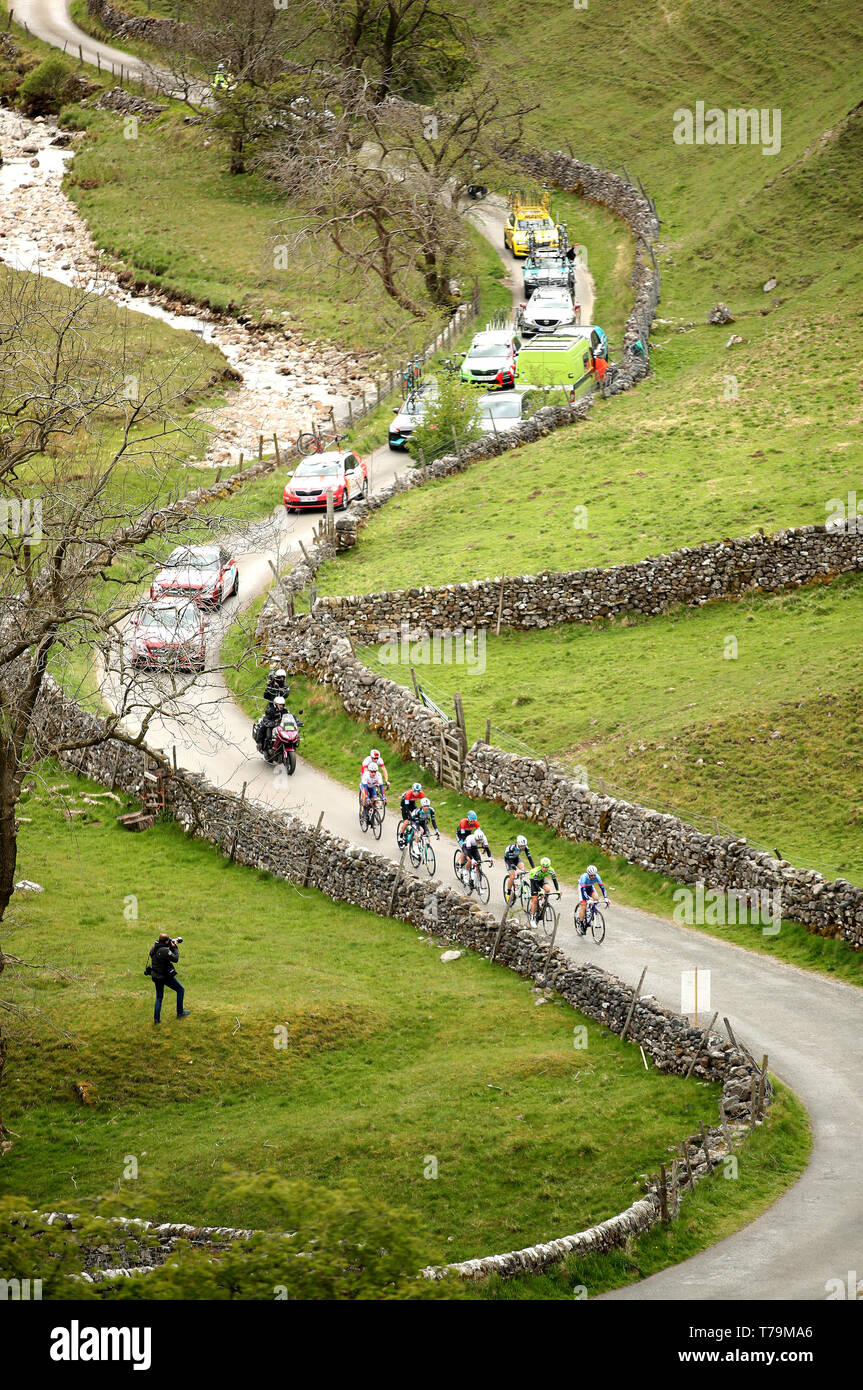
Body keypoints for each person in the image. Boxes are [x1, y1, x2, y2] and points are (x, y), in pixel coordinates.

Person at [149, 933, 189, 1025]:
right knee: (181, 990)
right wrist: (174, 947)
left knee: (159, 997)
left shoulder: (155, 946)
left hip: (155, 975)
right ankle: (180, 1012)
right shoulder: (164, 950)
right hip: (164, 976)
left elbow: (158, 956)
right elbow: (175, 959)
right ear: (166, 941)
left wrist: (168, 947)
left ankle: (156, 1019)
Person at [575, 864, 610, 932]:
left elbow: (602, 887)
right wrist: (588, 899)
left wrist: (606, 897)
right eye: (591, 875)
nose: (593, 877)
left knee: (596, 899)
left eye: (594, 875)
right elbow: (583, 891)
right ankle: (581, 922)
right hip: (582, 888)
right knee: (584, 904)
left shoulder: (597, 877)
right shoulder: (584, 877)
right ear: (588, 874)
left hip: (590, 887)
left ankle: (590, 912)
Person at [528, 857, 560, 922]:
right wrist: (540, 891)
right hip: (534, 880)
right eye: (543, 867)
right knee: (535, 900)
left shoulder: (551, 870)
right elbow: (536, 883)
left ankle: (544, 904)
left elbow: (555, 880)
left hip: (542, 879)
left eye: (547, 867)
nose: (545, 869)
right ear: (541, 866)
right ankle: (532, 917)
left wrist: (557, 890)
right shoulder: (536, 871)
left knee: (547, 889)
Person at [503, 833, 534, 899]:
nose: (523, 847)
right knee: (512, 876)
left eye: (524, 846)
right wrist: (517, 870)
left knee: (522, 870)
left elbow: (529, 858)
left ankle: (522, 886)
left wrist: (534, 868)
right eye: (521, 846)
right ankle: (508, 891)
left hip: (516, 858)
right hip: (509, 860)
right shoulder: (512, 848)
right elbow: (511, 862)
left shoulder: (525, 847)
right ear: (518, 844)